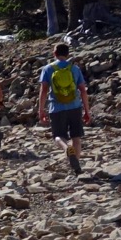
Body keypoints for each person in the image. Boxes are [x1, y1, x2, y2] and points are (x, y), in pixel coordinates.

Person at [38, 42, 90, 174]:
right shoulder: (74, 68)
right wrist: (87, 110)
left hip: (56, 108)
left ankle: (67, 148)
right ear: (67, 54)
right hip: (75, 106)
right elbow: (83, 90)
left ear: (54, 54)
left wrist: (41, 109)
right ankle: (76, 167)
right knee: (76, 137)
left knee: (58, 136)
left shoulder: (48, 69)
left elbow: (44, 90)